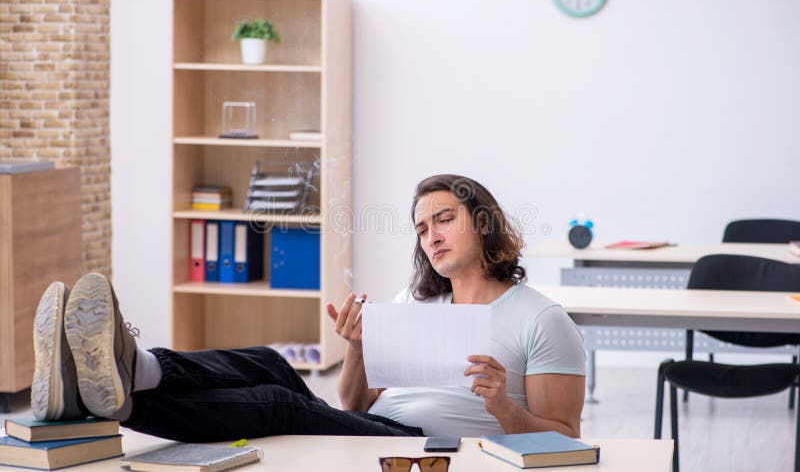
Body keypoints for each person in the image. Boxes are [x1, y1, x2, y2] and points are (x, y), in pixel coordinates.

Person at [31, 174, 586, 442]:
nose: (431, 236)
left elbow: (565, 437)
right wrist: (358, 348)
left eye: (444, 220)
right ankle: (136, 371)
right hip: (372, 426)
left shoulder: (541, 319)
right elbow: (354, 401)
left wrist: (503, 408)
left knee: (281, 405)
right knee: (272, 363)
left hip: (433, 450)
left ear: (483, 223)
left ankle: (120, 398)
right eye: (421, 227)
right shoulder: (415, 301)